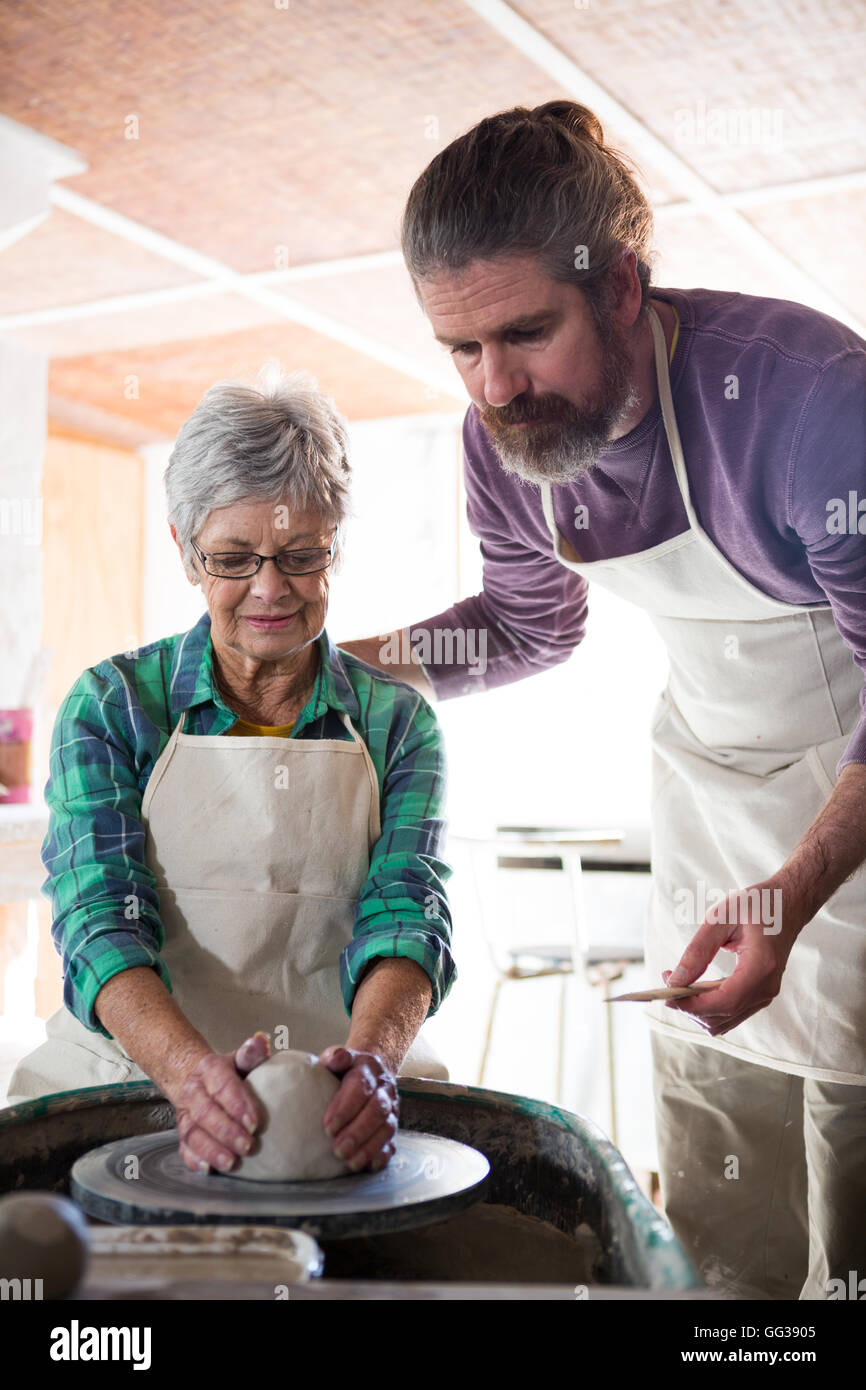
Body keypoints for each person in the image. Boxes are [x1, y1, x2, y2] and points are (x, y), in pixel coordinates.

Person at [340, 100, 866, 1299]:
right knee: (722, 1222)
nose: (494, 386)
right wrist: (331, 666)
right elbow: (526, 627)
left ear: (621, 285)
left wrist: (795, 891)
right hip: (709, 801)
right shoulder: (503, 444)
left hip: (849, 824)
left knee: (851, 1205)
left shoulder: (809, 402)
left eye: (525, 333)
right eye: (459, 352)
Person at [8, 368, 454, 1179]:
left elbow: (408, 913)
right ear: (184, 552)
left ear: (337, 547)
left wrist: (374, 1064)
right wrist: (189, 1077)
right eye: (235, 558)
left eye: (300, 553)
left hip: (334, 1085)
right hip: (132, 1075)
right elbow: (98, 916)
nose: (271, 589)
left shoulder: (398, 724)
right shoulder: (113, 706)